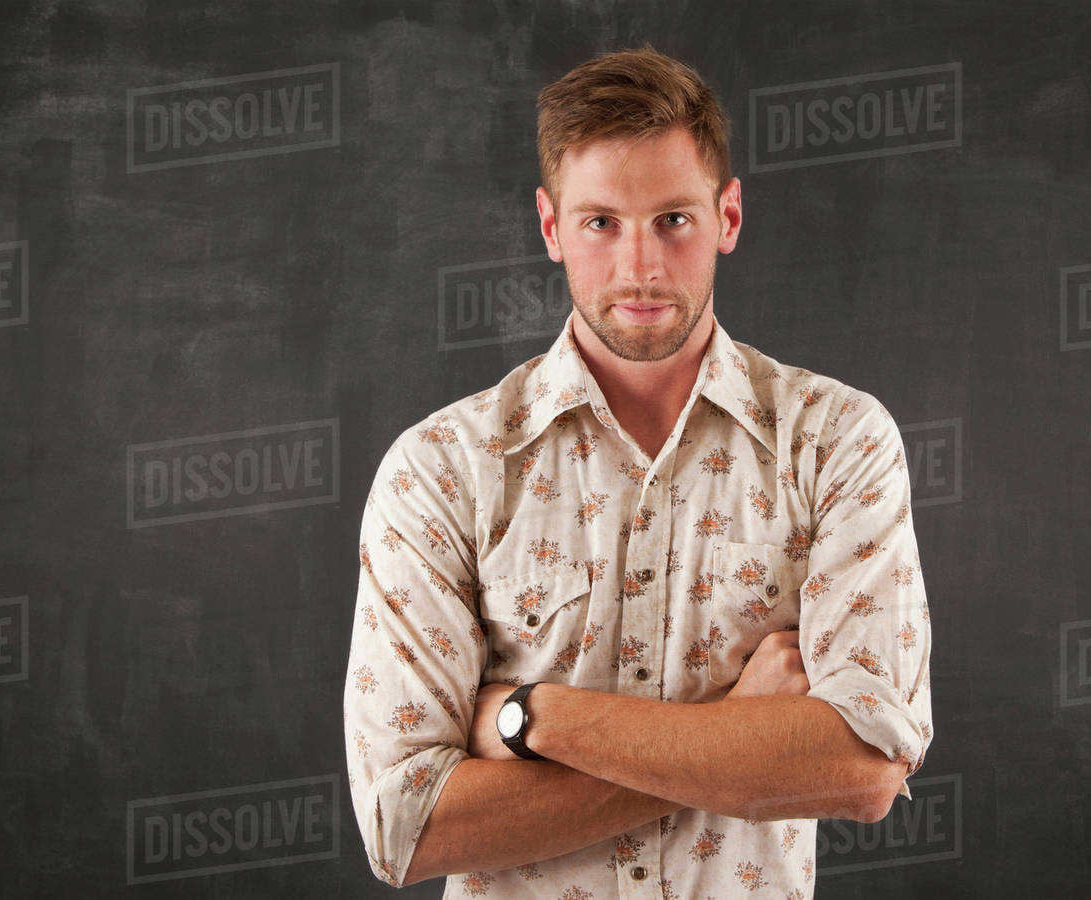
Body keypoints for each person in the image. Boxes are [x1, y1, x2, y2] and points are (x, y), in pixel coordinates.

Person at [343, 46, 933, 898]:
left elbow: (862, 770)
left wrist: (530, 717)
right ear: (551, 228)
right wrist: (733, 733)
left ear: (728, 217)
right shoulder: (443, 472)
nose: (641, 268)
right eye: (601, 223)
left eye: (673, 220)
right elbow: (407, 825)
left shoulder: (836, 442)